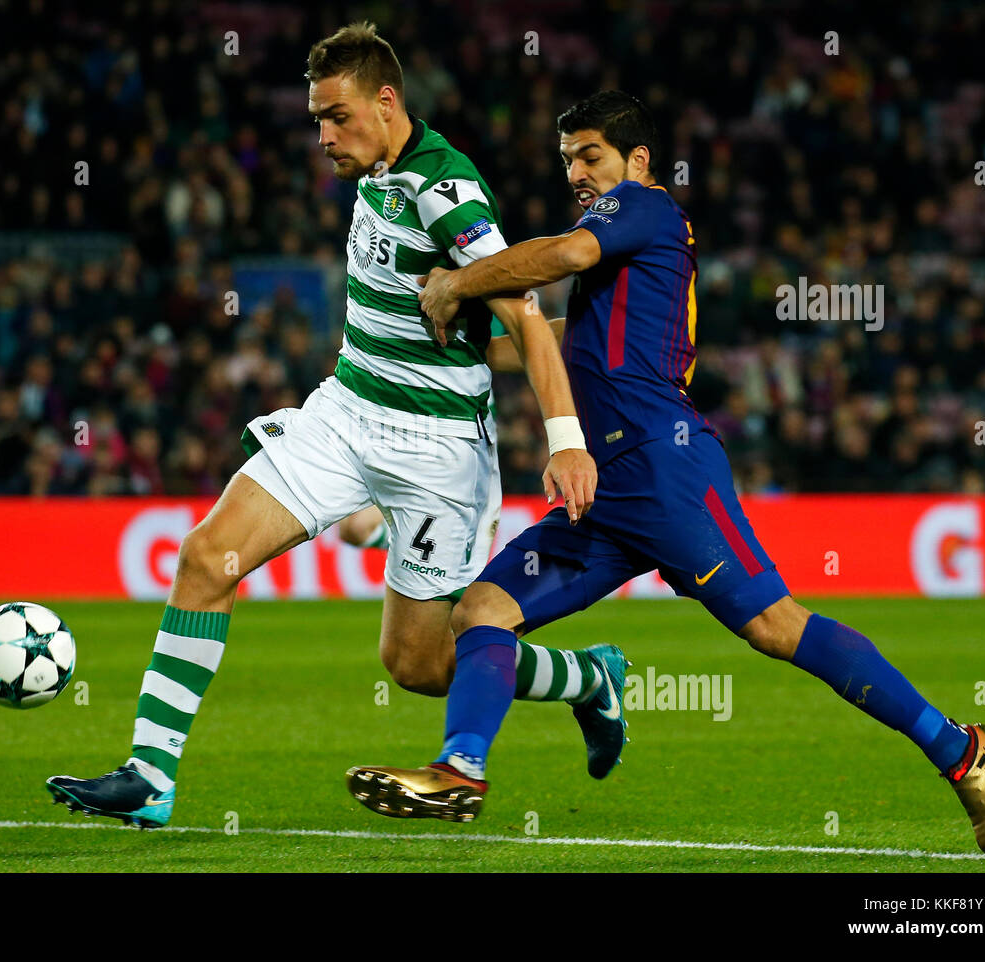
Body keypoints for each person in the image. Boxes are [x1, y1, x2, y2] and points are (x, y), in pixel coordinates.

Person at [346, 91, 985, 855]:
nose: (577, 174)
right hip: (598, 492)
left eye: (589, 156)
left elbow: (562, 256)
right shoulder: (620, 263)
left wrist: (463, 281)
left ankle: (961, 751)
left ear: (637, 160)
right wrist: (440, 337)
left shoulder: (646, 209)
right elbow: (545, 342)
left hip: (666, 470)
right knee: (481, 611)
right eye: (566, 160)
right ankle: (461, 770)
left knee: (775, 626)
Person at [44, 23, 609, 829]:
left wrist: (566, 439)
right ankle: (151, 773)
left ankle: (588, 678)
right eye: (316, 120)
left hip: (437, 451)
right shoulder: (374, 171)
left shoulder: (447, 192)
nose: (324, 137)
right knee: (208, 556)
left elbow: (520, 316)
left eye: (337, 116)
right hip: (343, 416)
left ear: (386, 103)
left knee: (419, 665)